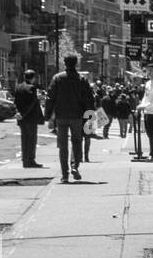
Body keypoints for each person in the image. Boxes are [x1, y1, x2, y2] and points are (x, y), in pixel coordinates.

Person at [43, 53, 95, 184]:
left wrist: (48, 115)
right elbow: (88, 98)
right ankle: (74, 166)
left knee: (63, 146)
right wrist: (89, 116)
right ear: (76, 64)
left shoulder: (57, 78)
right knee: (77, 142)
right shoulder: (81, 79)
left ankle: (64, 174)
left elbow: (50, 97)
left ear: (64, 63)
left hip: (61, 116)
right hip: (77, 116)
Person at [13, 69, 44, 168]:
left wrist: (18, 113)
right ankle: (30, 160)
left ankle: (25, 160)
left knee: (24, 139)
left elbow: (15, 102)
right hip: (30, 118)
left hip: (21, 118)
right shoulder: (32, 88)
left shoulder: (18, 87)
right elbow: (31, 104)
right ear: (33, 78)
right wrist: (23, 114)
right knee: (31, 139)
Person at [136, 63, 153, 160]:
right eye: (147, 71)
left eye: (151, 70)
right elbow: (145, 97)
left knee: (151, 133)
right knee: (148, 132)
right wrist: (141, 106)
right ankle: (152, 153)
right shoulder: (147, 83)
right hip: (147, 111)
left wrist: (145, 106)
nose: (149, 73)